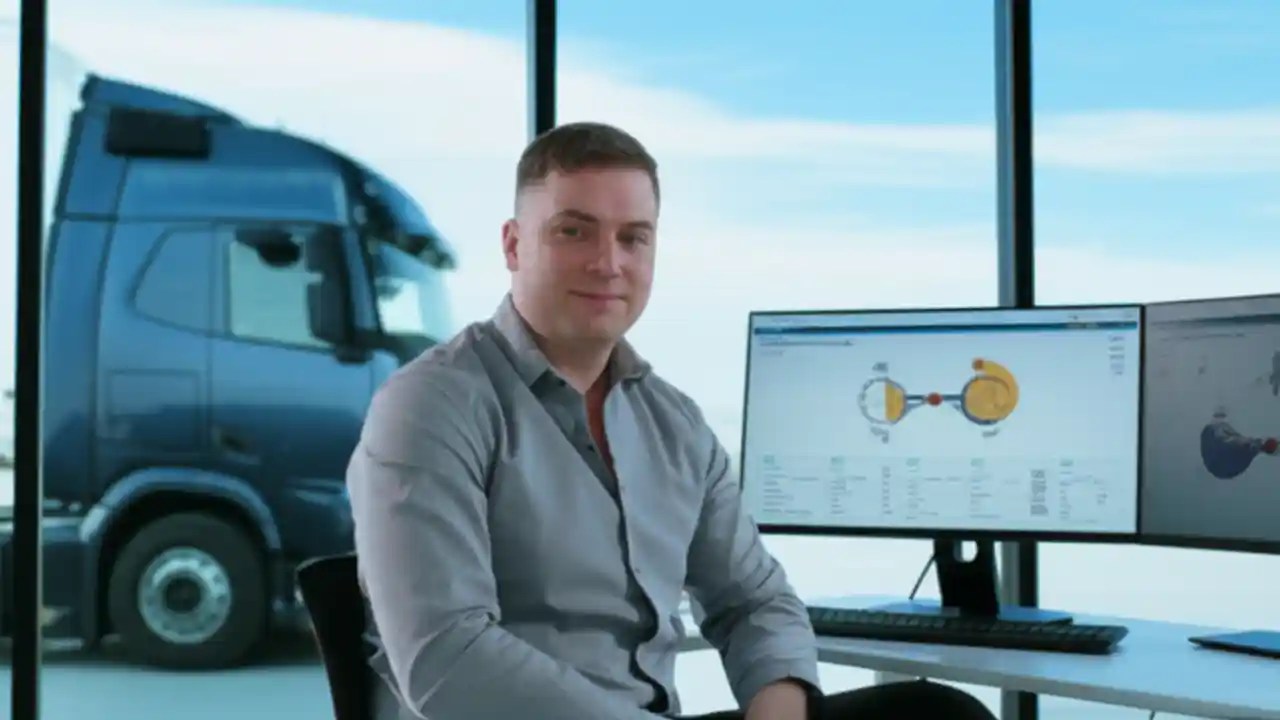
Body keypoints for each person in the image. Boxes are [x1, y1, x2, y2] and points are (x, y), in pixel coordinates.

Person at [346, 122, 998, 720]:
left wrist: (779, 707)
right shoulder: (431, 405)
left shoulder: (674, 423)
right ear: (515, 246)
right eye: (574, 231)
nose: (609, 262)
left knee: (938, 715)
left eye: (633, 237)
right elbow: (446, 659)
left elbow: (756, 604)